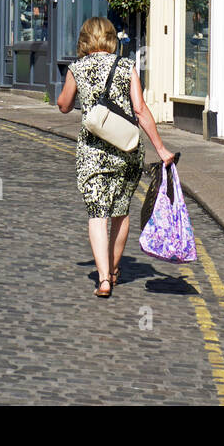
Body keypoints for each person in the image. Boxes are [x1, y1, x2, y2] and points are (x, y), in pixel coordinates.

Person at [57, 17, 176, 299]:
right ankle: (113, 270)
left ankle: (103, 280)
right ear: (111, 38)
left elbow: (63, 106)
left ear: (84, 39)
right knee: (121, 213)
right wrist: (161, 149)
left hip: (93, 154)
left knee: (97, 215)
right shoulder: (126, 66)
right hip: (127, 150)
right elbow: (141, 110)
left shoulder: (77, 68)